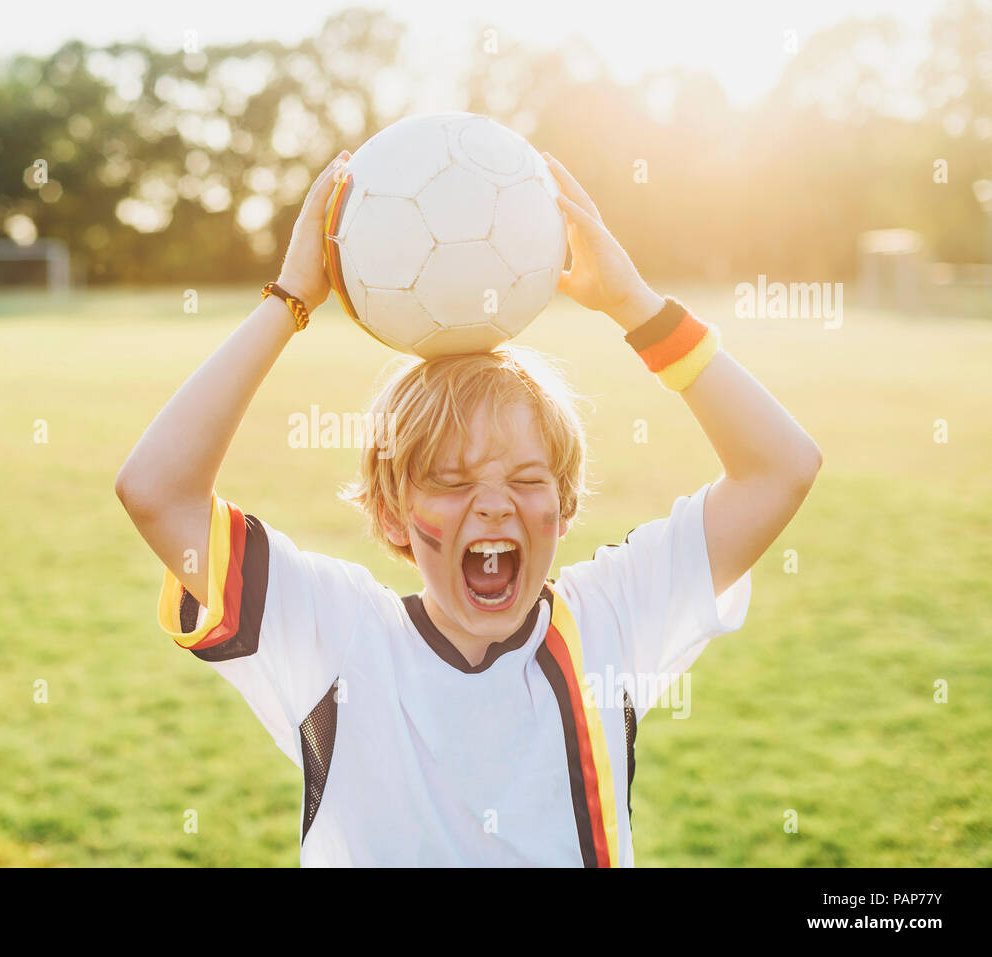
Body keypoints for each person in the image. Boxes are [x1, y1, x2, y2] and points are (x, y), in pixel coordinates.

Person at [115, 148, 823, 866]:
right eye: (452, 483)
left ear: (565, 503)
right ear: (392, 514)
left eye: (524, 479)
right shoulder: (340, 636)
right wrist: (290, 298)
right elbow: (155, 491)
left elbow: (783, 467)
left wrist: (634, 304)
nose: (492, 507)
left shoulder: (610, 619)